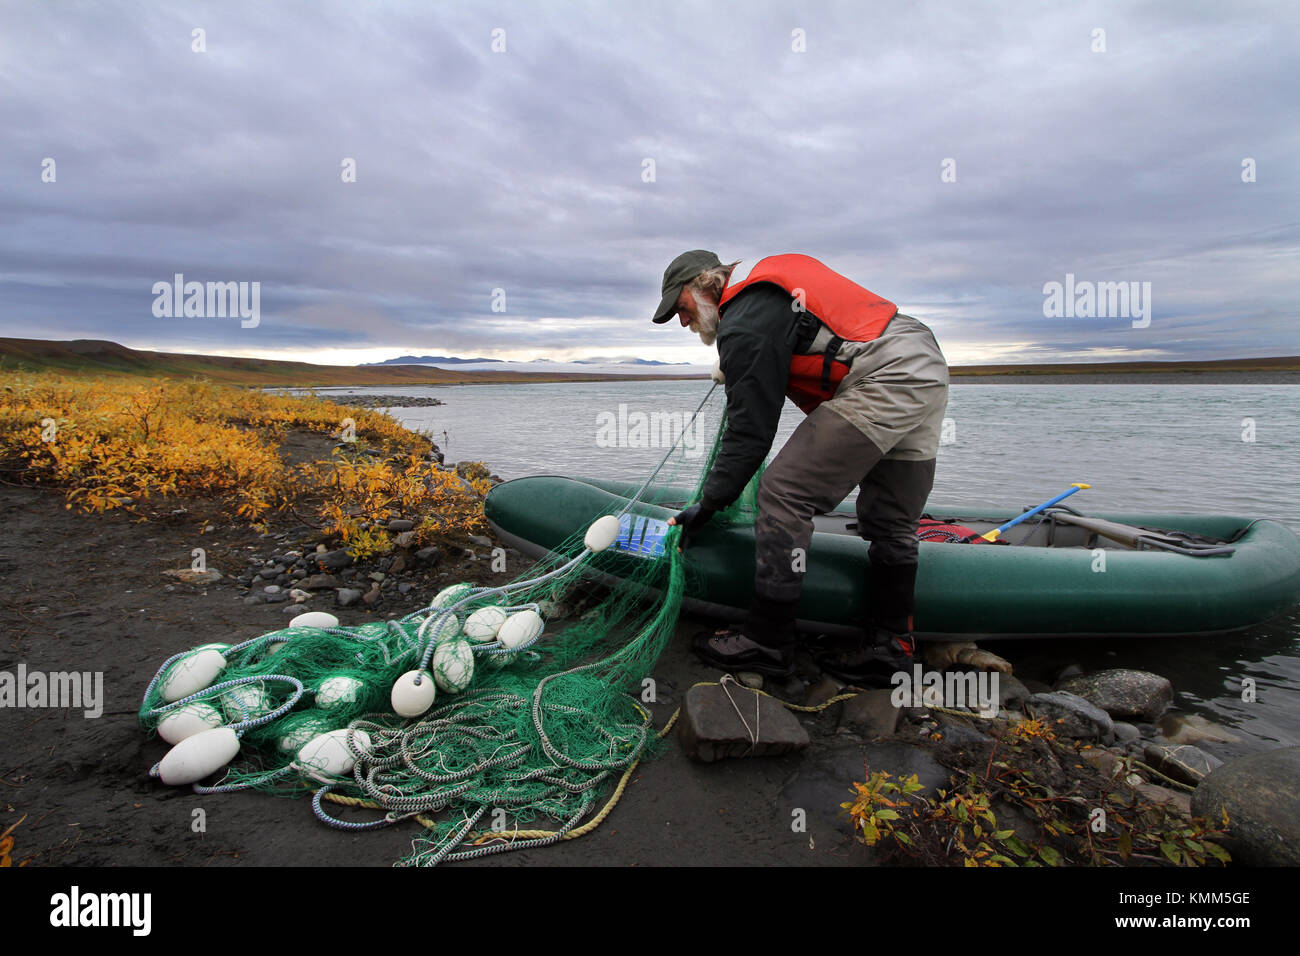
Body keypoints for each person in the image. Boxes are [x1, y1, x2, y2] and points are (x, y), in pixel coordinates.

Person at [652, 250, 949, 683]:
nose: (683, 322)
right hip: (922, 358)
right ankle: (890, 648)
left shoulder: (745, 319)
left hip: (886, 373)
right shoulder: (761, 300)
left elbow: (749, 435)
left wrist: (708, 505)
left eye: (681, 309)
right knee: (891, 520)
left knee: (783, 491)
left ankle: (767, 639)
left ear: (704, 287)